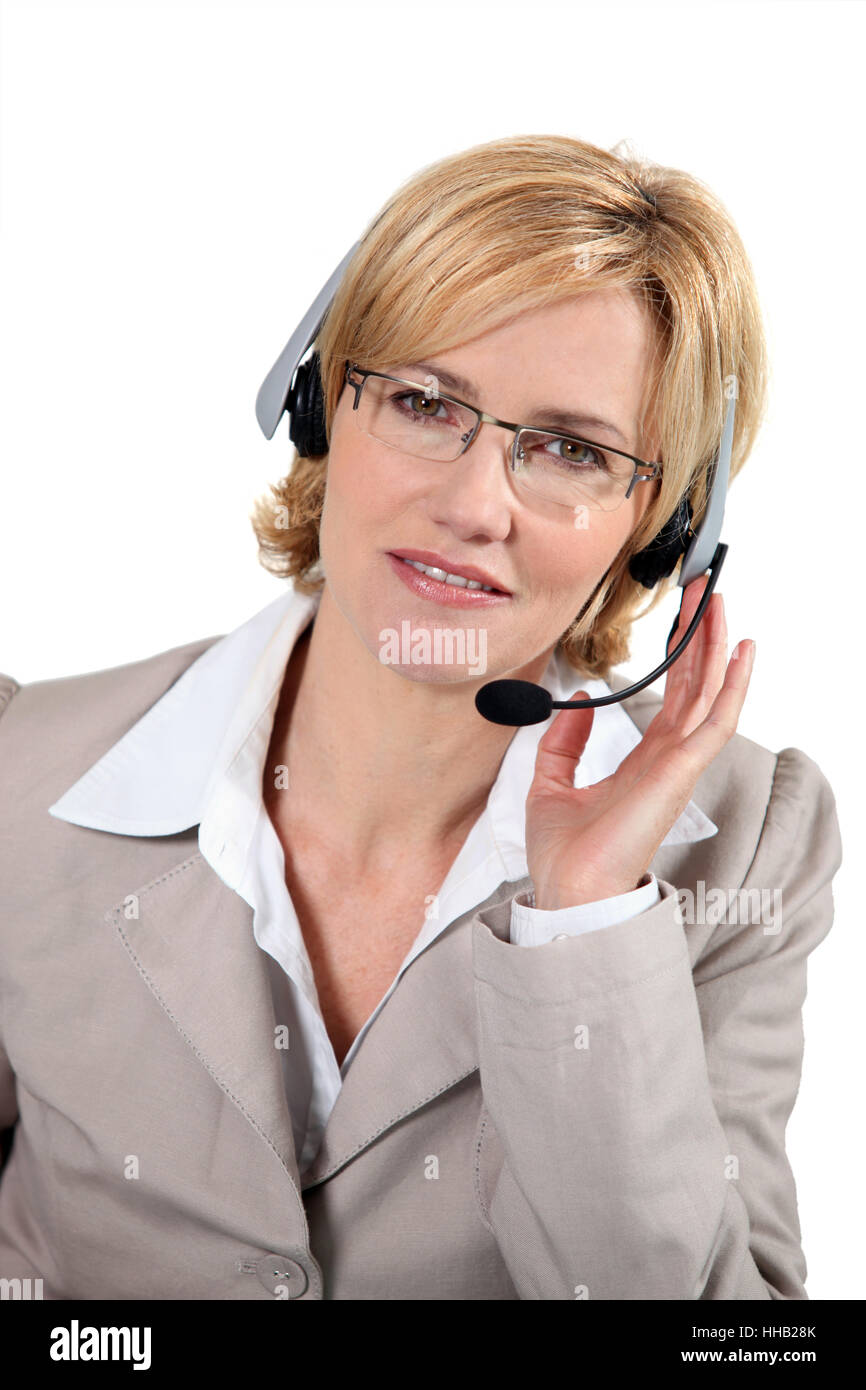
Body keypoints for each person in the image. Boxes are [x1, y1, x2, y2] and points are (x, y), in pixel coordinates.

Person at [0, 133, 841, 1301]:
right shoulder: (23, 772)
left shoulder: (748, 843)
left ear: (661, 528)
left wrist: (585, 929)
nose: (470, 502)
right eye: (421, 400)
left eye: (566, 449)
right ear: (316, 408)